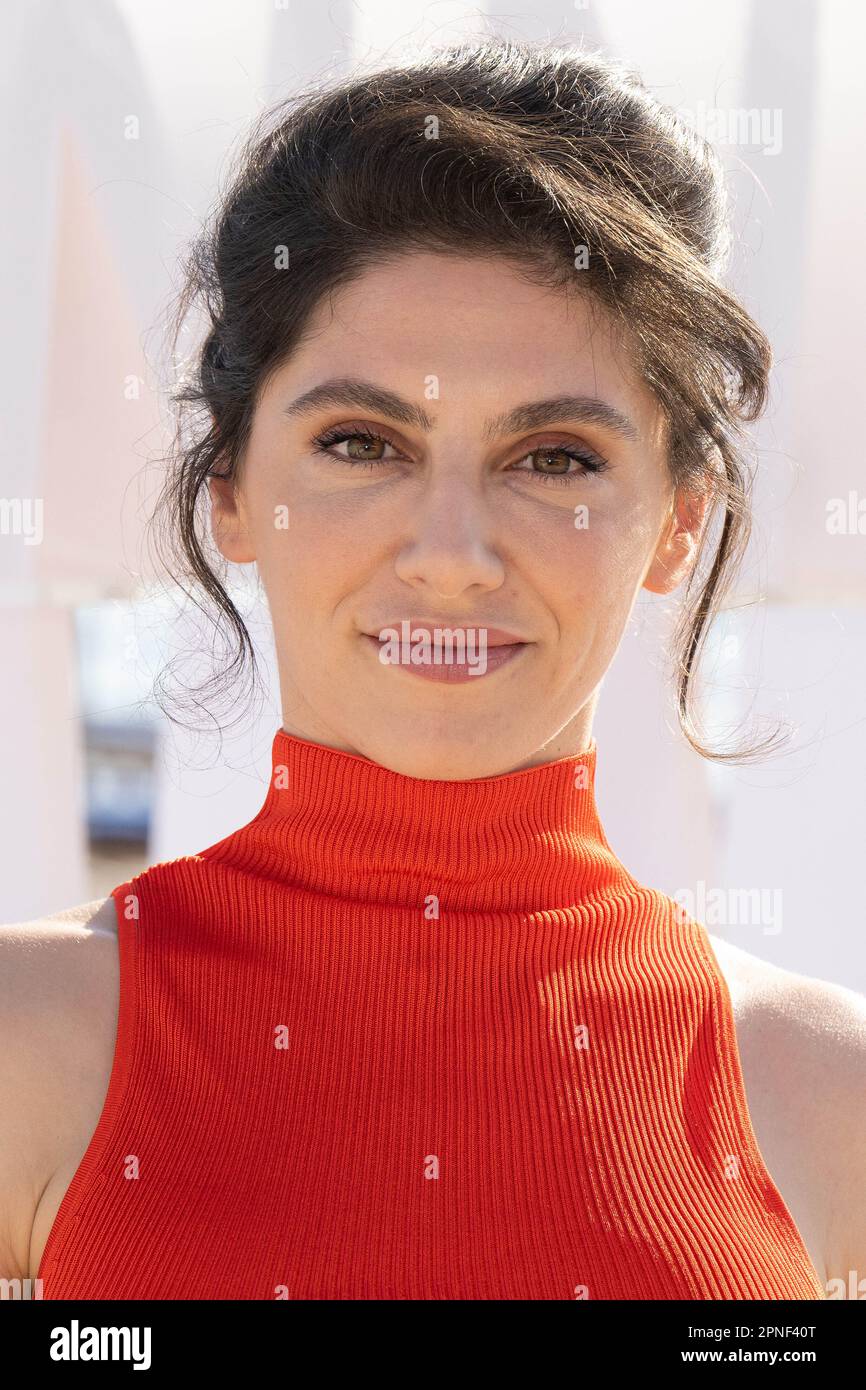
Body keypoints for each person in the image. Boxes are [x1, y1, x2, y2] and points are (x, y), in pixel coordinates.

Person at [3, 38, 864, 1300]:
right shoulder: (31, 1042)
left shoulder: (822, 1093)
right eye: (362, 442)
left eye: (556, 457)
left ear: (676, 518)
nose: (452, 556)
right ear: (231, 493)